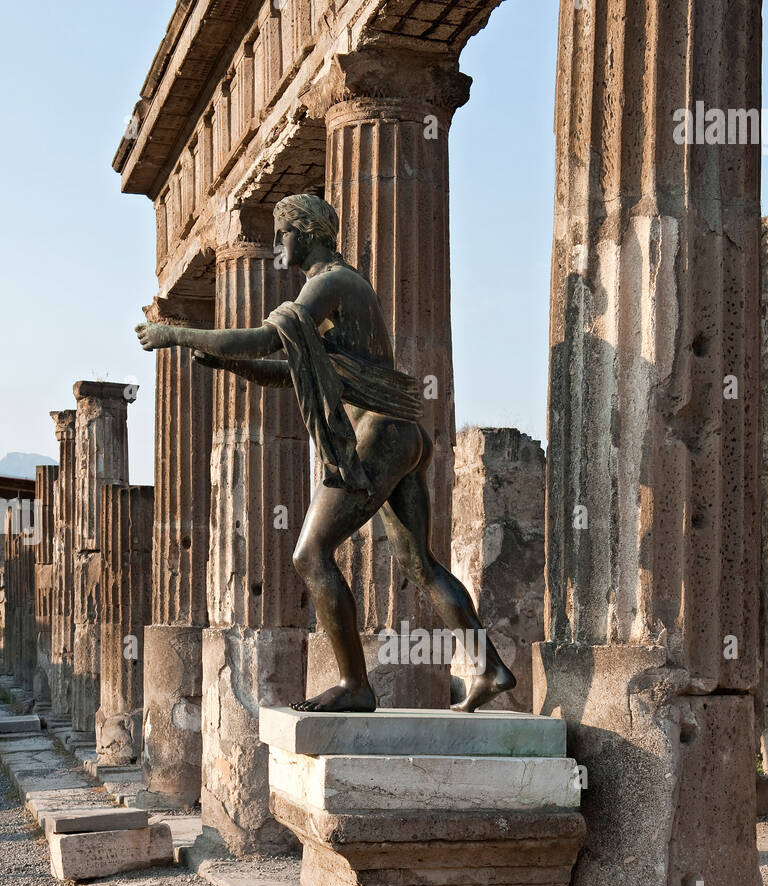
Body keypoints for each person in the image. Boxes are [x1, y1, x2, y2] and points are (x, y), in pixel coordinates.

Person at [136, 193, 515, 713]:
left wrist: (174, 333)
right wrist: (227, 366)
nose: (276, 246)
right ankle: (491, 668)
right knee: (420, 564)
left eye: (281, 234)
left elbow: (265, 340)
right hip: (401, 435)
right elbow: (292, 371)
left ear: (306, 234)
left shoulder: (330, 283)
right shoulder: (344, 286)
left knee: (309, 555)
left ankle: (357, 687)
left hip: (377, 436)